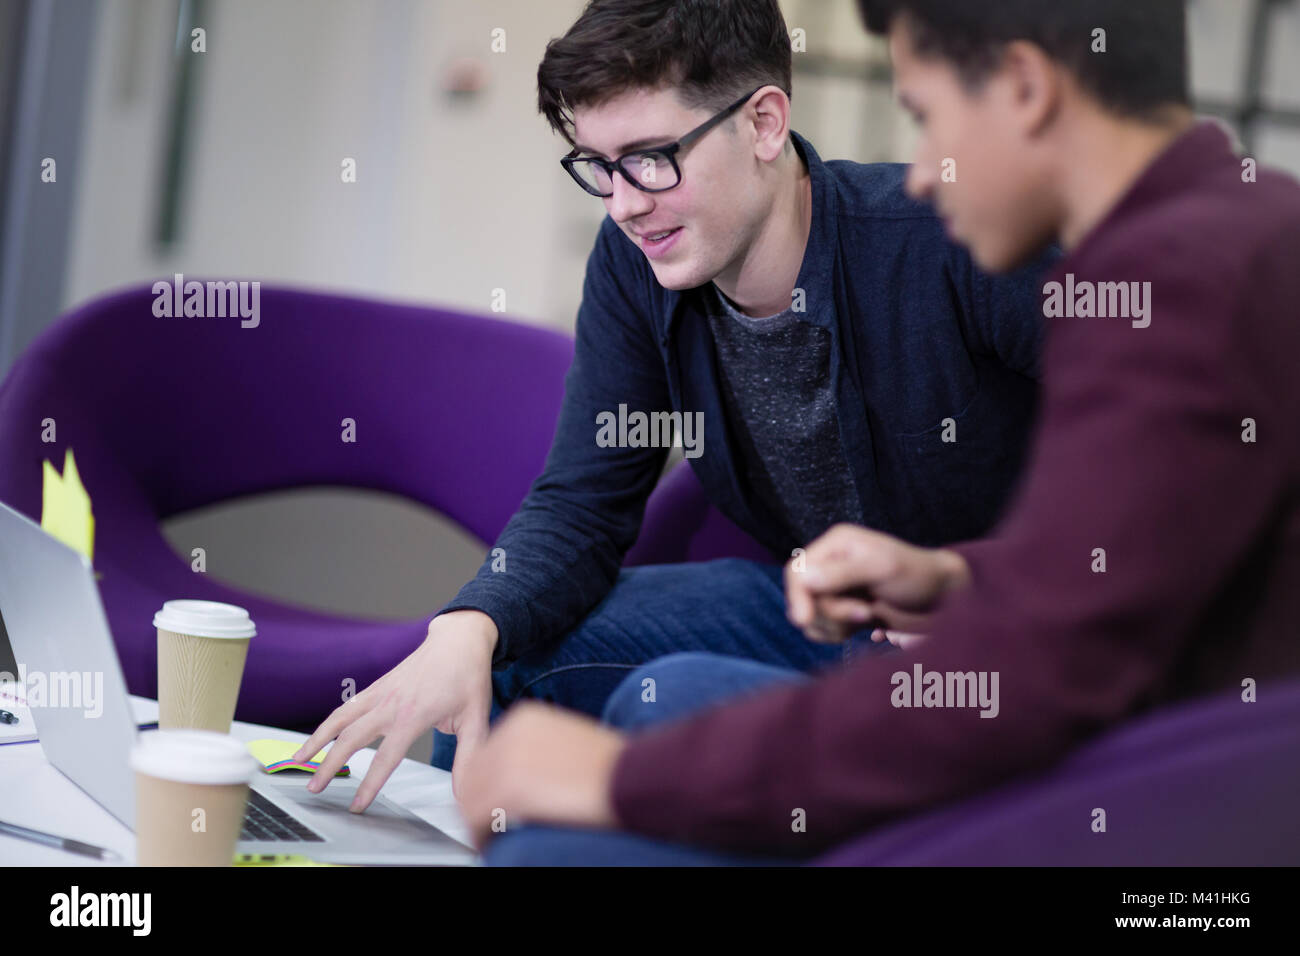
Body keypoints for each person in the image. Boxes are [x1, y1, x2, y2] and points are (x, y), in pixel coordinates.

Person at [452, 0, 1300, 864]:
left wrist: (617, 782)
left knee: (585, 806)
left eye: (928, 119)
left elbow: (1030, 678)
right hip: (1129, 735)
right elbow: (1142, 554)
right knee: (544, 684)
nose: (923, 172)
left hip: (1156, 809)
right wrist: (956, 574)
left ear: (1025, 89)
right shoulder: (1240, 230)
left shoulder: (1173, 281)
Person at [292, 0, 1051, 807]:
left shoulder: (948, 240)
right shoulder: (635, 265)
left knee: (679, 699)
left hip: (1016, 643)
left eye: (652, 158)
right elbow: (585, 501)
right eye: (598, 165)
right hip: (832, 626)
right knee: (504, 655)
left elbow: (1181, 458)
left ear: (763, 124)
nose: (623, 204)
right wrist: (466, 627)